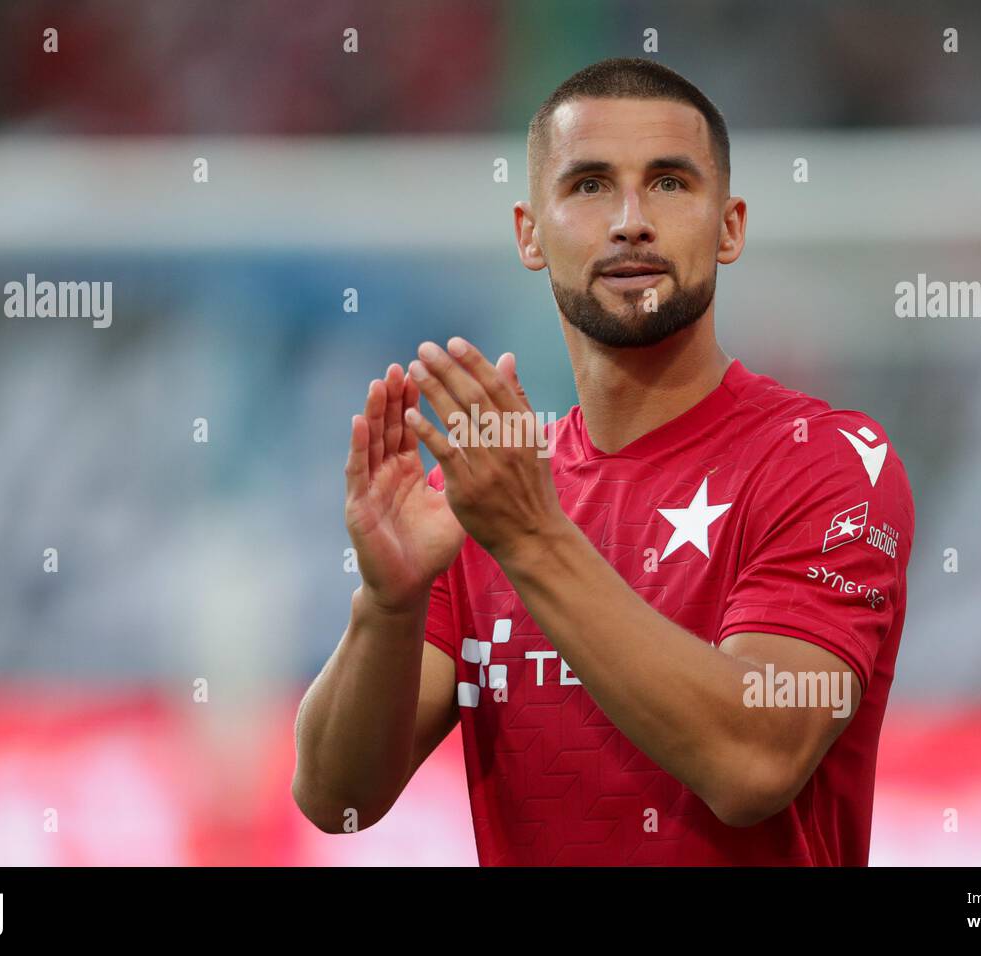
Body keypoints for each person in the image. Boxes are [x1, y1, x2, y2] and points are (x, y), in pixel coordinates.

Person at [294, 57, 915, 865]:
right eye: (588, 185)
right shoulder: (485, 497)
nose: (630, 220)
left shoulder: (825, 464)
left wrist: (531, 541)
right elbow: (337, 801)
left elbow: (754, 762)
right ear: (529, 232)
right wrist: (388, 601)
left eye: (668, 183)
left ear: (729, 226)